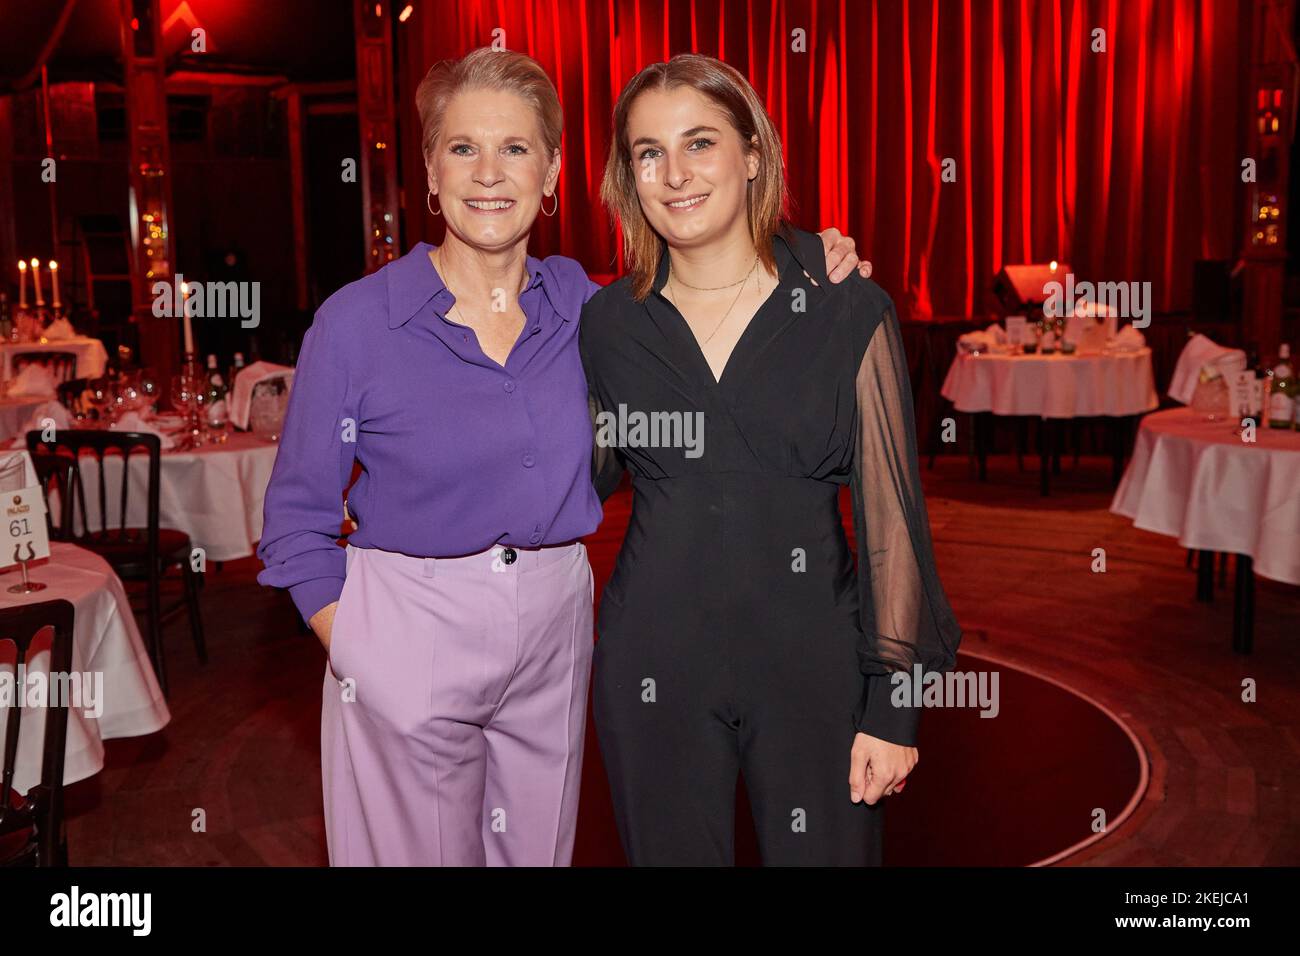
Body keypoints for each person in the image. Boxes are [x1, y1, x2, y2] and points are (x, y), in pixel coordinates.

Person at [256, 47, 871, 866]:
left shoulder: (593, 310)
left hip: (556, 627)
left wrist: (810, 253)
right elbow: (295, 527)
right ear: (430, 174)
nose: (489, 173)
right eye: (462, 148)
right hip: (408, 620)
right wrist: (365, 652)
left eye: (515, 149)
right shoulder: (357, 323)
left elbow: (713, 280)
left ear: (551, 173)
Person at [581, 54, 963, 866]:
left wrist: (894, 709)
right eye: (649, 152)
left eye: (700, 143)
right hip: (652, 667)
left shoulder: (843, 303)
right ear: (629, 175)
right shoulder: (609, 324)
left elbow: (895, 522)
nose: (675, 173)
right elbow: (575, 480)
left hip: (813, 669)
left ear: (753, 154)